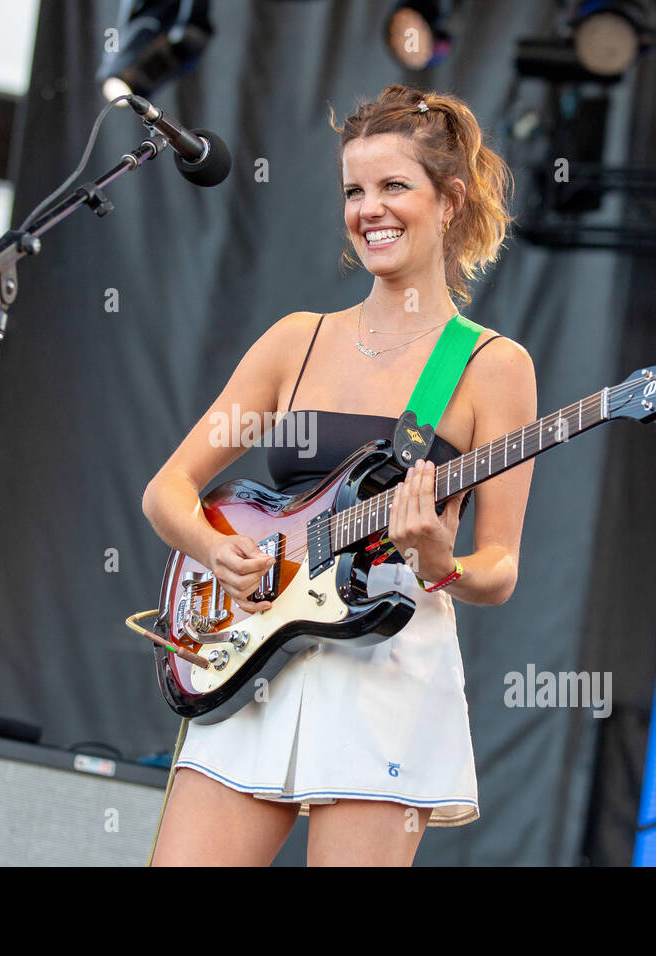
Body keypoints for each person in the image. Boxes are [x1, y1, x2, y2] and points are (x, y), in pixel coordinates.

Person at [141, 85, 536, 866]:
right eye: (354, 190)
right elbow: (168, 491)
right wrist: (215, 550)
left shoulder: (492, 367)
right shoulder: (297, 341)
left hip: (387, 675)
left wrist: (440, 564)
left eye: (394, 186)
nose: (369, 209)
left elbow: (499, 568)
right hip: (254, 657)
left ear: (449, 200)